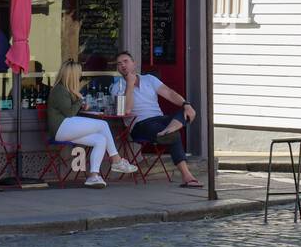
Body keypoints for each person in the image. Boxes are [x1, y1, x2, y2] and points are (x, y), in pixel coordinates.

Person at [110, 51, 202, 188]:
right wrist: (129, 85)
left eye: (125, 61)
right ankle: (187, 176)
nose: (122, 65)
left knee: (185, 111)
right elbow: (127, 110)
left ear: (134, 63)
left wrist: (186, 104)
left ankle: (170, 129)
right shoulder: (117, 87)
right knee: (173, 134)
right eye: (119, 64)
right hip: (140, 125)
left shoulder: (149, 79)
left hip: (160, 120)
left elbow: (170, 93)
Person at [47, 59, 139, 188]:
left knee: (100, 140)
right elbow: (69, 113)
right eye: (78, 73)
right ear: (72, 75)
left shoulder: (67, 90)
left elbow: (70, 110)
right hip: (60, 129)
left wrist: (80, 103)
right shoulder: (60, 90)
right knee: (103, 125)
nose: (80, 76)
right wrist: (79, 100)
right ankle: (116, 160)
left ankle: (93, 176)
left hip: (66, 127)